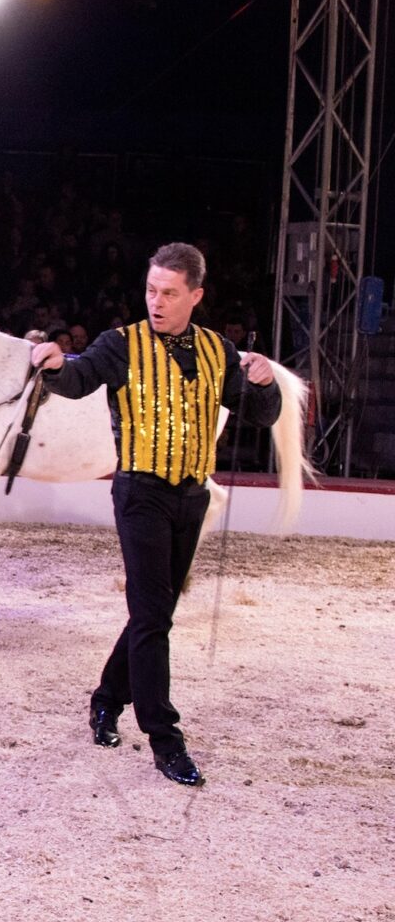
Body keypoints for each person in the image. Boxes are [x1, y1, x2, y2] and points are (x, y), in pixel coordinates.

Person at [29, 242, 280, 787]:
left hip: (192, 496)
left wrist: (264, 383)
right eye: (151, 290)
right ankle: (165, 740)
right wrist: (55, 365)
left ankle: (106, 698)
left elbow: (258, 415)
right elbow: (78, 378)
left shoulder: (218, 349)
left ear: (195, 296)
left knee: (155, 613)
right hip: (140, 492)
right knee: (151, 617)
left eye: (169, 293)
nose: (156, 301)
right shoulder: (120, 344)